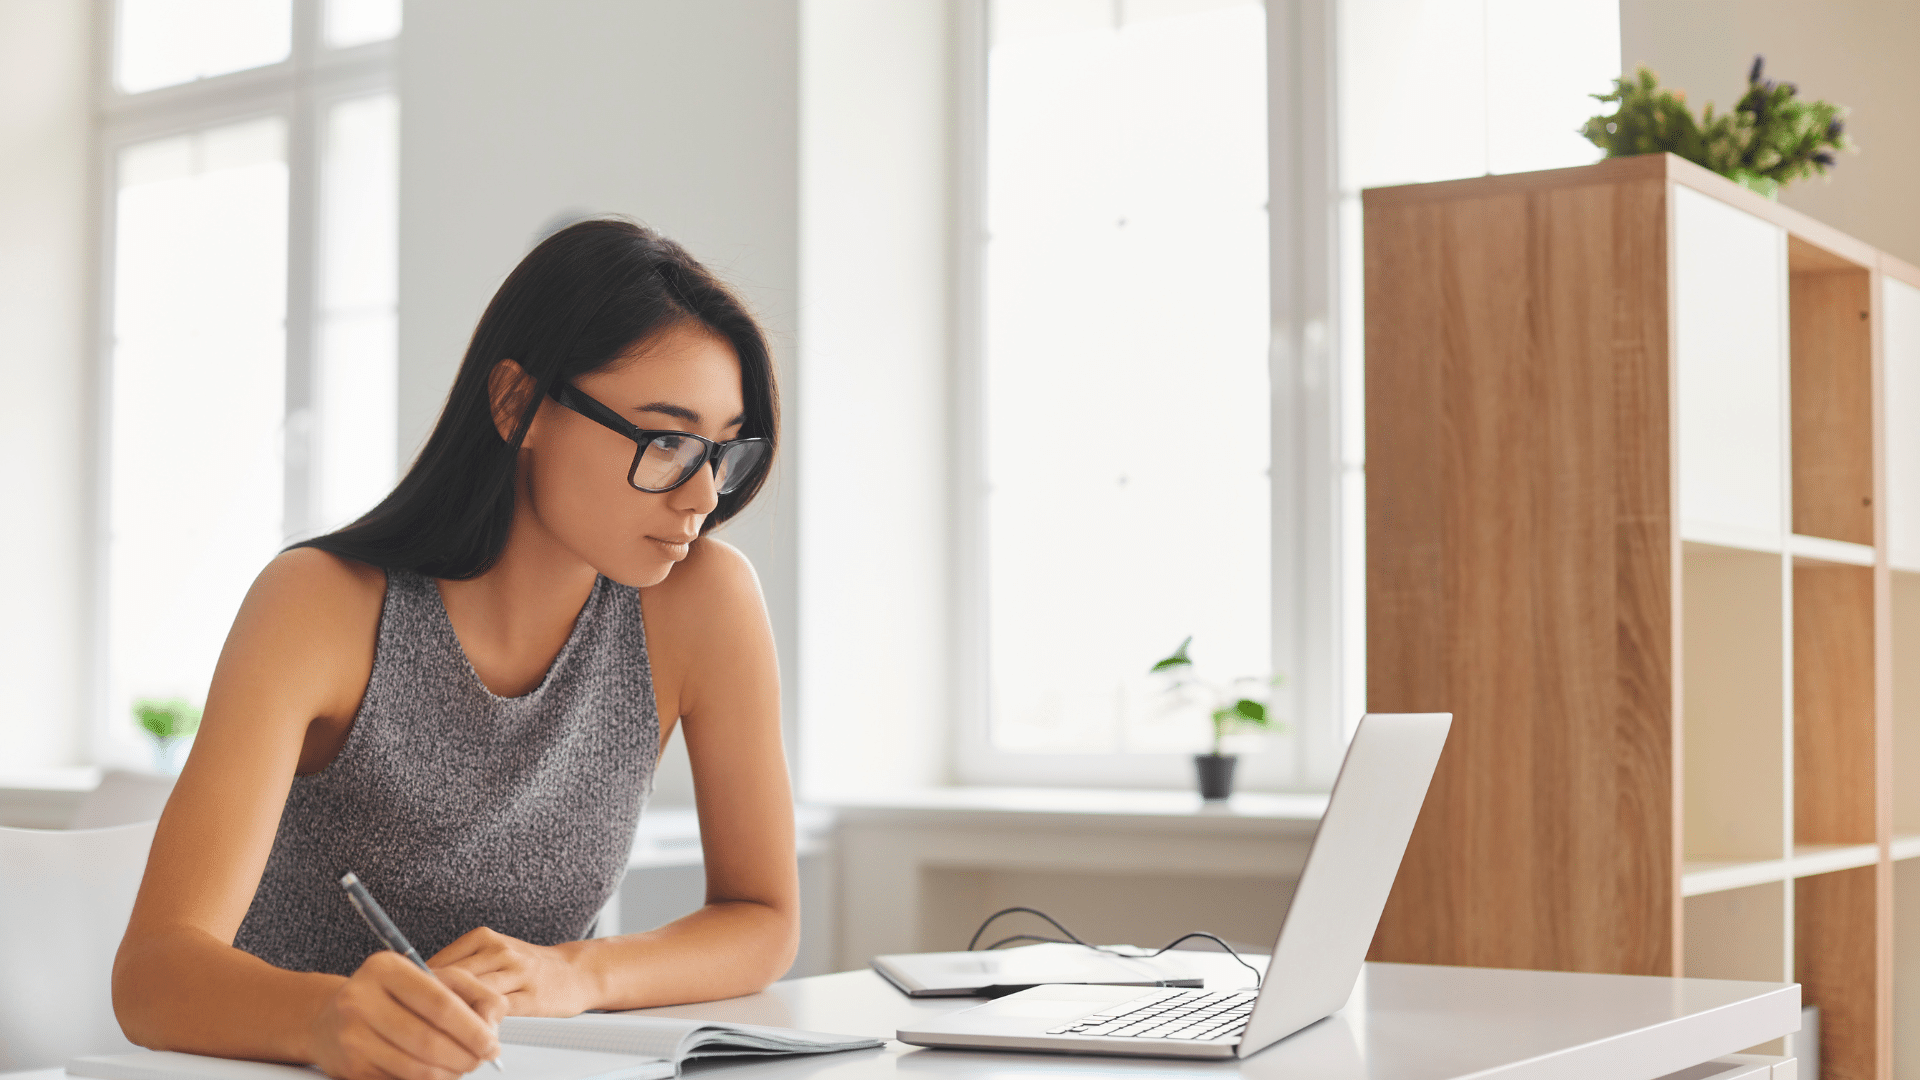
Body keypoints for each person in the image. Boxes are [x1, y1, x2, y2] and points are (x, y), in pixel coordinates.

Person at [112, 220, 796, 1080]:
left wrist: (574, 973)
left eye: (721, 450)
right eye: (664, 440)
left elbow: (761, 916)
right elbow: (151, 975)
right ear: (518, 404)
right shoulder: (320, 604)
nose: (701, 494)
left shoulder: (703, 602)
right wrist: (328, 1017)